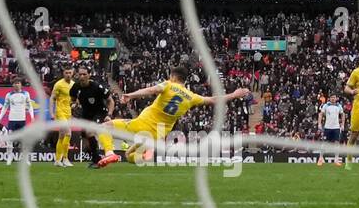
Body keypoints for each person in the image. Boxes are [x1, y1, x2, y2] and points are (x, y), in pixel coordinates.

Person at [107, 62, 251, 165]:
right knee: (128, 154)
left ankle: (125, 153)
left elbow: (150, 90)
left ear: (174, 77)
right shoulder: (191, 96)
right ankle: (145, 155)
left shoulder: (169, 85)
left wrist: (131, 95)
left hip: (145, 124)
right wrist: (233, 94)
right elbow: (213, 100)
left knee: (110, 129)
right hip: (159, 134)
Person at [70, 68, 115, 167]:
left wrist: (109, 115)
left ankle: (100, 157)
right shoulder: (75, 87)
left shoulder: (97, 87)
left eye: (84, 74)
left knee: (90, 131)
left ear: (89, 75)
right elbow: (73, 99)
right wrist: (74, 104)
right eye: (80, 74)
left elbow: (110, 101)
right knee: (86, 140)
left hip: (99, 112)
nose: (82, 77)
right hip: (86, 114)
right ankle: (96, 159)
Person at [0, 79, 33, 165]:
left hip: (22, 119)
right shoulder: (9, 95)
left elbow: (30, 106)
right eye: (15, 83)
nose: (17, 85)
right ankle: (9, 157)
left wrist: (32, 117)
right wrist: (0, 117)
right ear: (13, 85)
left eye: (18, 83)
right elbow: (5, 107)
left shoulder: (25, 94)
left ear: (21, 85)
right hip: (12, 119)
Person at [52, 65, 75, 167]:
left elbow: (74, 99)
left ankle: (57, 160)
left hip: (68, 112)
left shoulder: (74, 84)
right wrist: (52, 113)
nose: (68, 75)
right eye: (66, 73)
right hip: (60, 111)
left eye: (70, 73)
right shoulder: (58, 84)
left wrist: (75, 104)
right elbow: (52, 98)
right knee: (68, 133)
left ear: (72, 73)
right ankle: (65, 158)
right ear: (63, 73)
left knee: (61, 136)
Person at [317, 93, 344, 166]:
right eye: (331, 97)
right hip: (327, 127)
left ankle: (336, 159)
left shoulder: (339, 106)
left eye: (334, 97)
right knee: (324, 143)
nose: (333, 99)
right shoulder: (326, 105)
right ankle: (321, 158)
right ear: (329, 98)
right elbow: (321, 114)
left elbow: (342, 114)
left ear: (336, 98)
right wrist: (319, 123)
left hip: (336, 127)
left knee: (337, 143)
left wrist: (342, 124)